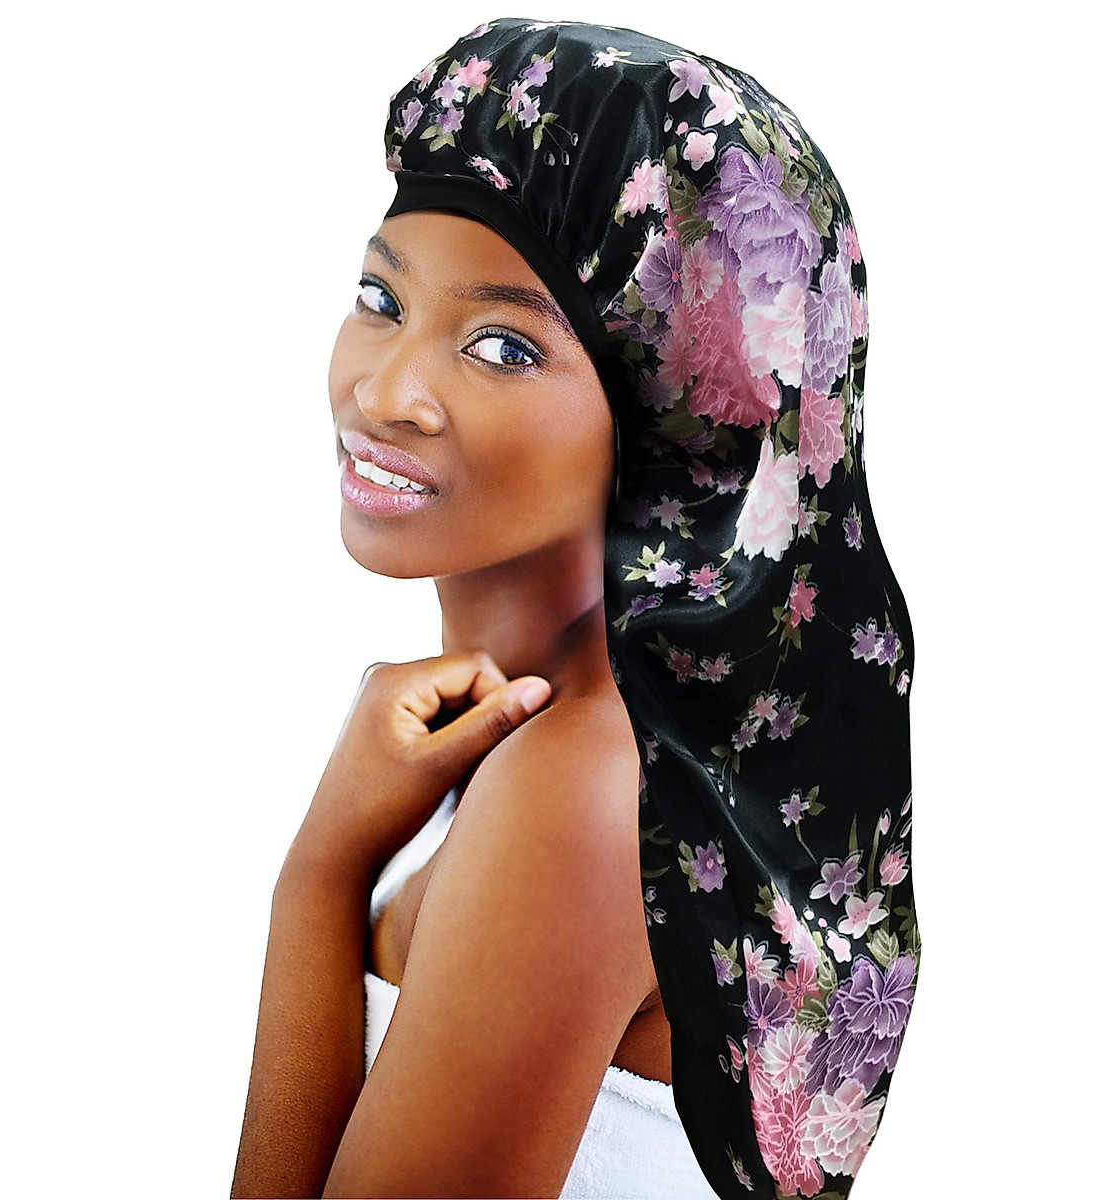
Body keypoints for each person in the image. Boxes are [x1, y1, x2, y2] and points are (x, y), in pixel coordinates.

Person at [232, 16, 919, 1200]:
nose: (385, 392)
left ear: (682, 420)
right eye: (380, 297)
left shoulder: (585, 790)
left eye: (502, 347)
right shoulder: (587, 749)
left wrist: (321, 875)